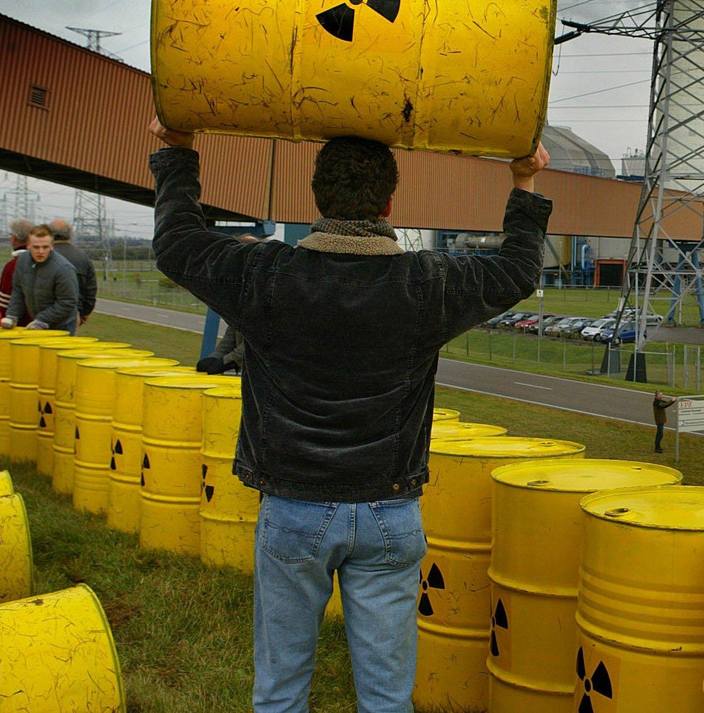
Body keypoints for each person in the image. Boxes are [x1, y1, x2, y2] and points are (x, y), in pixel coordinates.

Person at [148, 117, 551, 713]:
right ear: (389, 203)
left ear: (316, 198)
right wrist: (523, 180)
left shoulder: (264, 274)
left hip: (292, 508)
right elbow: (517, 269)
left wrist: (179, 150)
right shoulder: (427, 283)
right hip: (391, 511)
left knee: (280, 693)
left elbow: (177, 243)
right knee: (387, 698)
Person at [196, 236, 261, 375]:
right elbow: (233, 331)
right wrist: (215, 357)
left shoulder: (263, 290)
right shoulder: (243, 287)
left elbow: (258, 343)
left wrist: (227, 361)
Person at [0, 224, 80, 333]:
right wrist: (12, 315)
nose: (40, 252)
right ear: (28, 246)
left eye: (45, 247)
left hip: (62, 325)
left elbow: (67, 302)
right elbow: (18, 290)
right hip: (37, 320)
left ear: (51, 246)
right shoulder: (22, 261)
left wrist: (43, 320)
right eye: (36, 247)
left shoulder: (64, 269)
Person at [49, 218, 98, 326]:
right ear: (70, 234)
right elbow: (90, 290)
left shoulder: (45, 256)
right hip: (74, 312)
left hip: (45, 312)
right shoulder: (83, 257)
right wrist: (85, 312)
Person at [0, 219, 34, 325]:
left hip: (17, 322)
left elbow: (5, 301)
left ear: (15, 238)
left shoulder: (12, 266)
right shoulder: (41, 262)